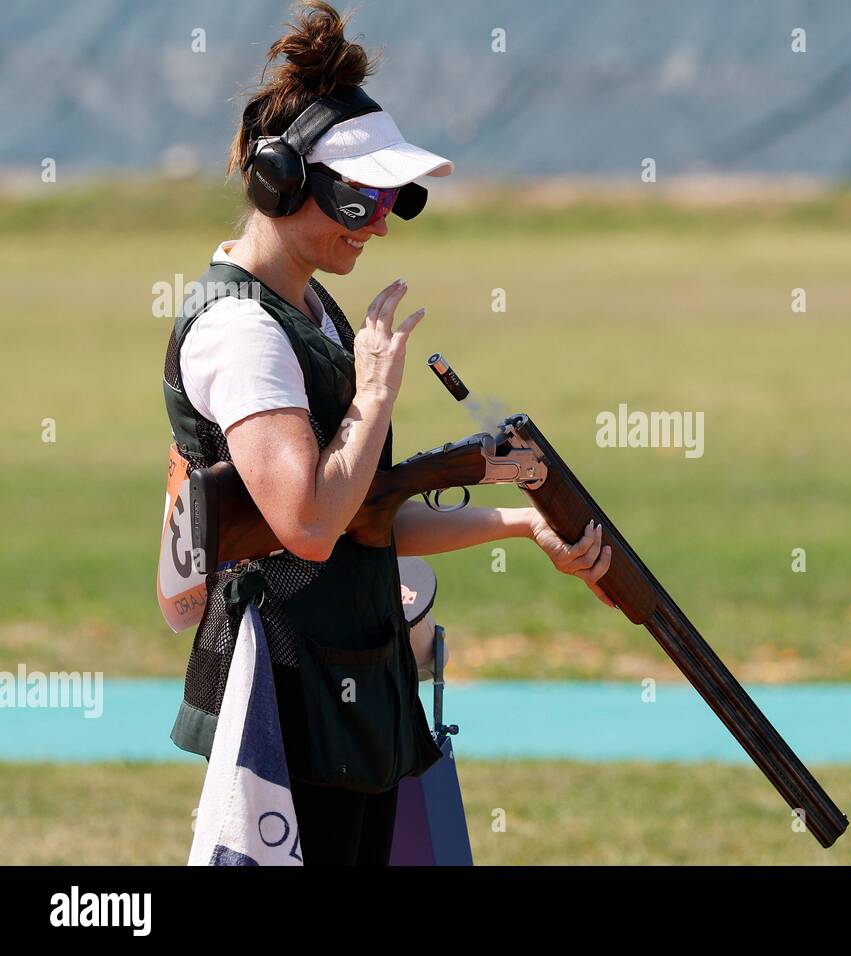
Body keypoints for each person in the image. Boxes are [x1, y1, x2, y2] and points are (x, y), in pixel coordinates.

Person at [161, 0, 613, 865]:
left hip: (352, 690)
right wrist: (372, 394)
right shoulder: (241, 331)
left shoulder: (311, 306)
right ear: (280, 183)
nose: (375, 224)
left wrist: (523, 520)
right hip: (288, 702)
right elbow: (307, 522)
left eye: (389, 203)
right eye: (356, 199)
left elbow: (368, 519)